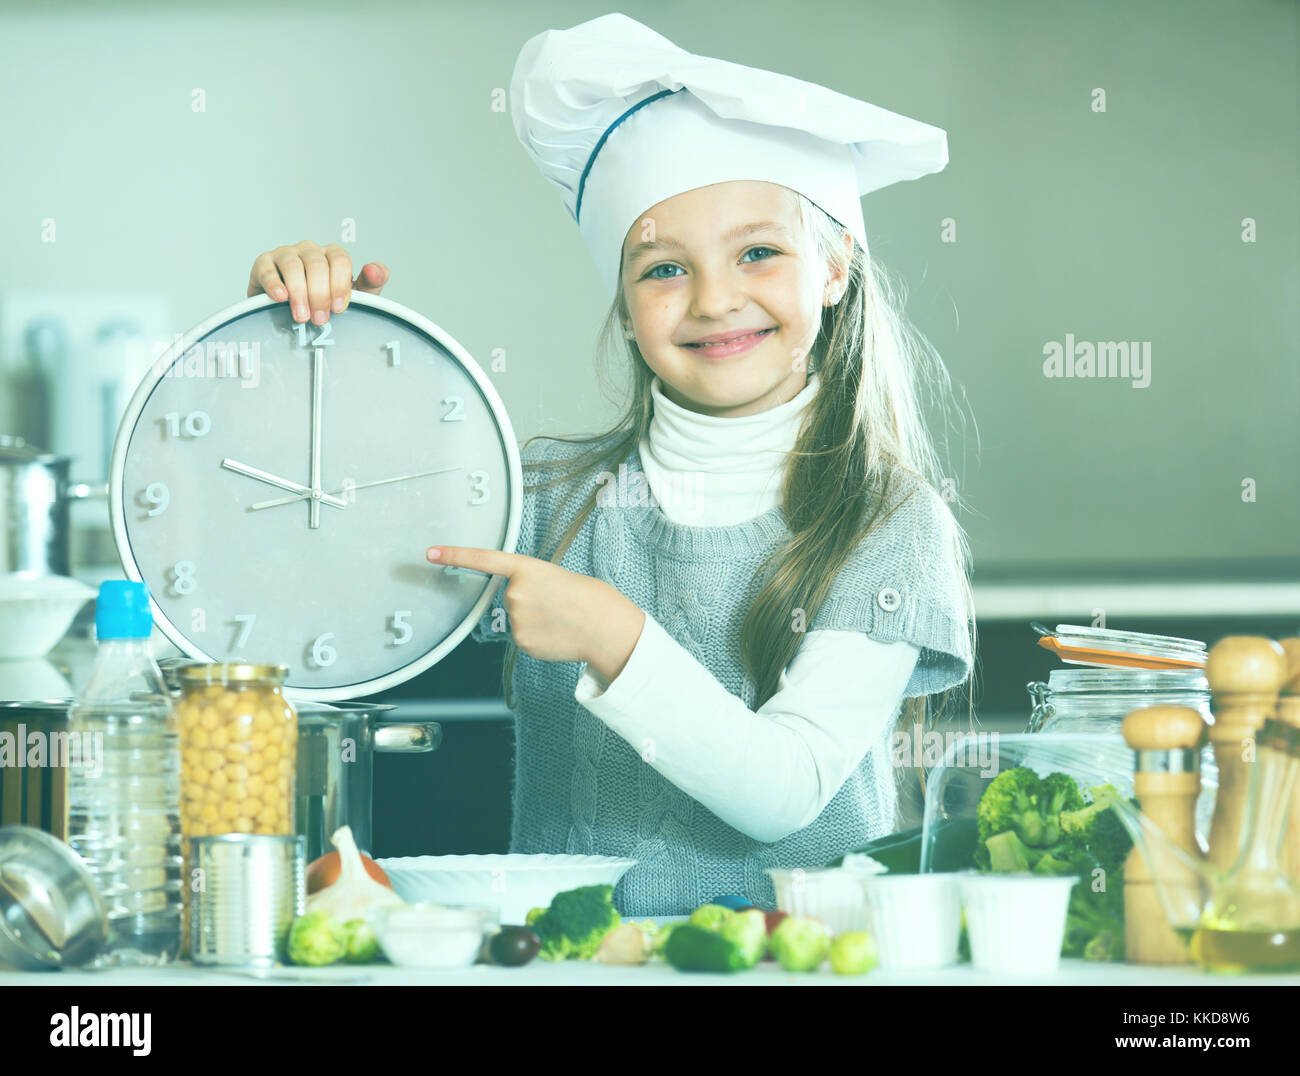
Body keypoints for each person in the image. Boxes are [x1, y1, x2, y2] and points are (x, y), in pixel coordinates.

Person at [246, 13, 976, 916]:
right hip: (569, 967)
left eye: (758, 252)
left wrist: (616, 639)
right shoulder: (545, 495)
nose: (714, 298)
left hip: (800, 969)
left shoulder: (886, 520)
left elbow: (785, 791)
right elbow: (319, 554)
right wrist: (304, 346)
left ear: (832, 267)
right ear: (625, 307)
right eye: (663, 268)